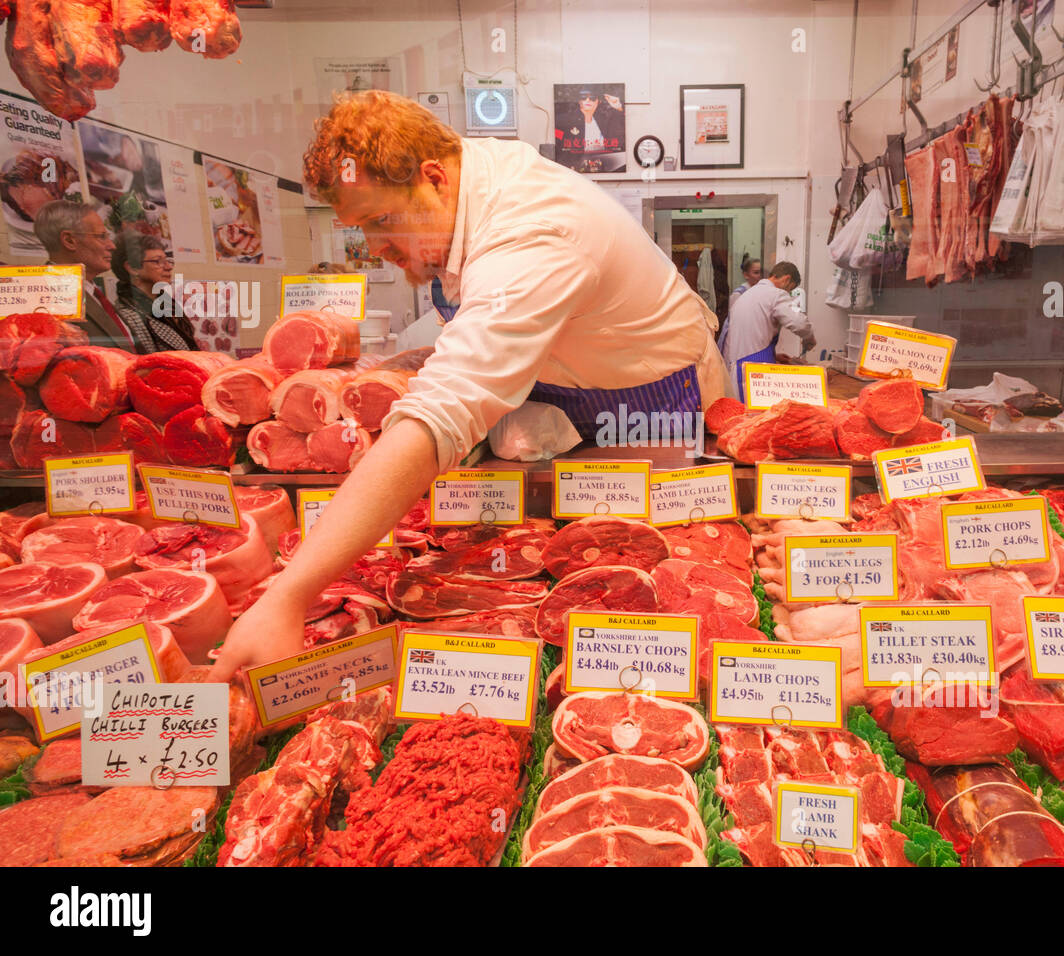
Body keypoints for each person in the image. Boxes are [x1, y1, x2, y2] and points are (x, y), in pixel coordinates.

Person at [210, 90, 725, 679]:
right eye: (359, 228)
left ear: (433, 178)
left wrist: (290, 595)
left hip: (648, 407)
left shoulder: (534, 231)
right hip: (567, 396)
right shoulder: (464, 189)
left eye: (381, 221)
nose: (374, 250)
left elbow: (442, 413)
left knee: (636, 578)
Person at [34, 200, 136, 351]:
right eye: (102, 236)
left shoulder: (90, 290)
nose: (112, 246)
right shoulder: (45, 297)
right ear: (69, 240)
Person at [719, 260, 816, 395]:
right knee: (755, 408)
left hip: (736, 367)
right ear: (787, 279)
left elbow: (751, 335)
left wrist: (775, 356)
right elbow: (800, 323)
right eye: (790, 289)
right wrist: (809, 339)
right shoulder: (776, 294)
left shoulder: (748, 294)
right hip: (754, 370)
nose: (788, 293)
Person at [111, 233, 197, 352]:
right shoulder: (129, 316)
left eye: (167, 260)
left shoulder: (168, 306)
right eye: (157, 261)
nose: (168, 267)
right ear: (133, 268)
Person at [555, 88, 626, 172]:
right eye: (583, 97)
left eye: (592, 98)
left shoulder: (604, 120)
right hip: (576, 170)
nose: (588, 100)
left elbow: (620, 137)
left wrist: (618, 107)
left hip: (604, 168)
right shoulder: (565, 120)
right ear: (579, 101)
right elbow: (559, 147)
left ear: (598, 101)